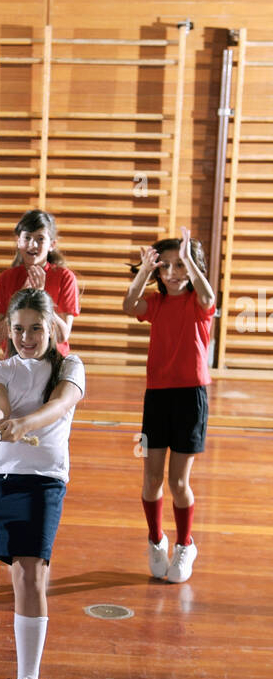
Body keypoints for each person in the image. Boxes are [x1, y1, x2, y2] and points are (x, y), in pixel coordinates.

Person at [0, 288, 85, 679]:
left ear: (53, 327)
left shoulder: (70, 366)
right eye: (19, 329)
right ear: (8, 329)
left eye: (36, 328)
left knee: (29, 574)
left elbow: (60, 405)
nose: (27, 337)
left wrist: (22, 423)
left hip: (43, 481)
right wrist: (3, 420)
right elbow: (0, 404)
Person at [121, 227, 216, 583]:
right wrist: (145, 271)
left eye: (181, 266)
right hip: (156, 399)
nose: (174, 273)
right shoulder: (157, 304)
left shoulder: (197, 302)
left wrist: (191, 261)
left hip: (191, 398)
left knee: (178, 482)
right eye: (168, 267)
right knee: (150, 479)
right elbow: (129, 304)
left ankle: (185, 544)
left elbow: (207, 297)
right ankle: (155, 538)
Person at [0, 209, 80, 358]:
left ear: (52, 244)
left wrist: (40, 296)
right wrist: (20, 298)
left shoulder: (65, 277)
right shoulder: (5, 278)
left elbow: (62, 335)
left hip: (53, 362)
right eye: (27, 238)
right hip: (15, 361)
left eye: (40, 238)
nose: (33, 244)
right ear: (19, 241)